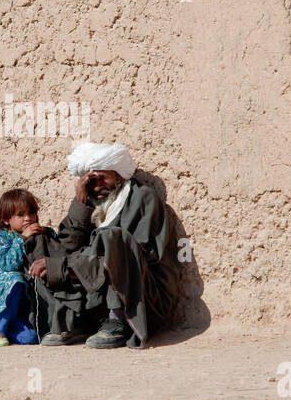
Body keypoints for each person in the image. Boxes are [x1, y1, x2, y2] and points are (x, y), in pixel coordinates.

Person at [27, 142, 184, 349]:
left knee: (111, 237)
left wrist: (67, 266)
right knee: (43, 250)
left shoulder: (142, 197)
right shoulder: (93, 202)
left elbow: (126, 251)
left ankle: (118, 321)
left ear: (119, 176)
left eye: (103, 178)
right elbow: (67, 248)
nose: (97, 186)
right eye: (91, 181)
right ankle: (76, 323)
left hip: (143, 299)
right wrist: (80, 204)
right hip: (100, 294)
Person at [0, 189, 47, 345]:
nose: (28, 218)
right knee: (15, 279)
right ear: (7, 219)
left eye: (31, 213)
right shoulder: (0, 237)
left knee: (32, 338)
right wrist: (22, 239)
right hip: (1, 292)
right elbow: (5, 266)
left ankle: (7, 326)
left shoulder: (38, 234)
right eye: (20, 215)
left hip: (22, 302)